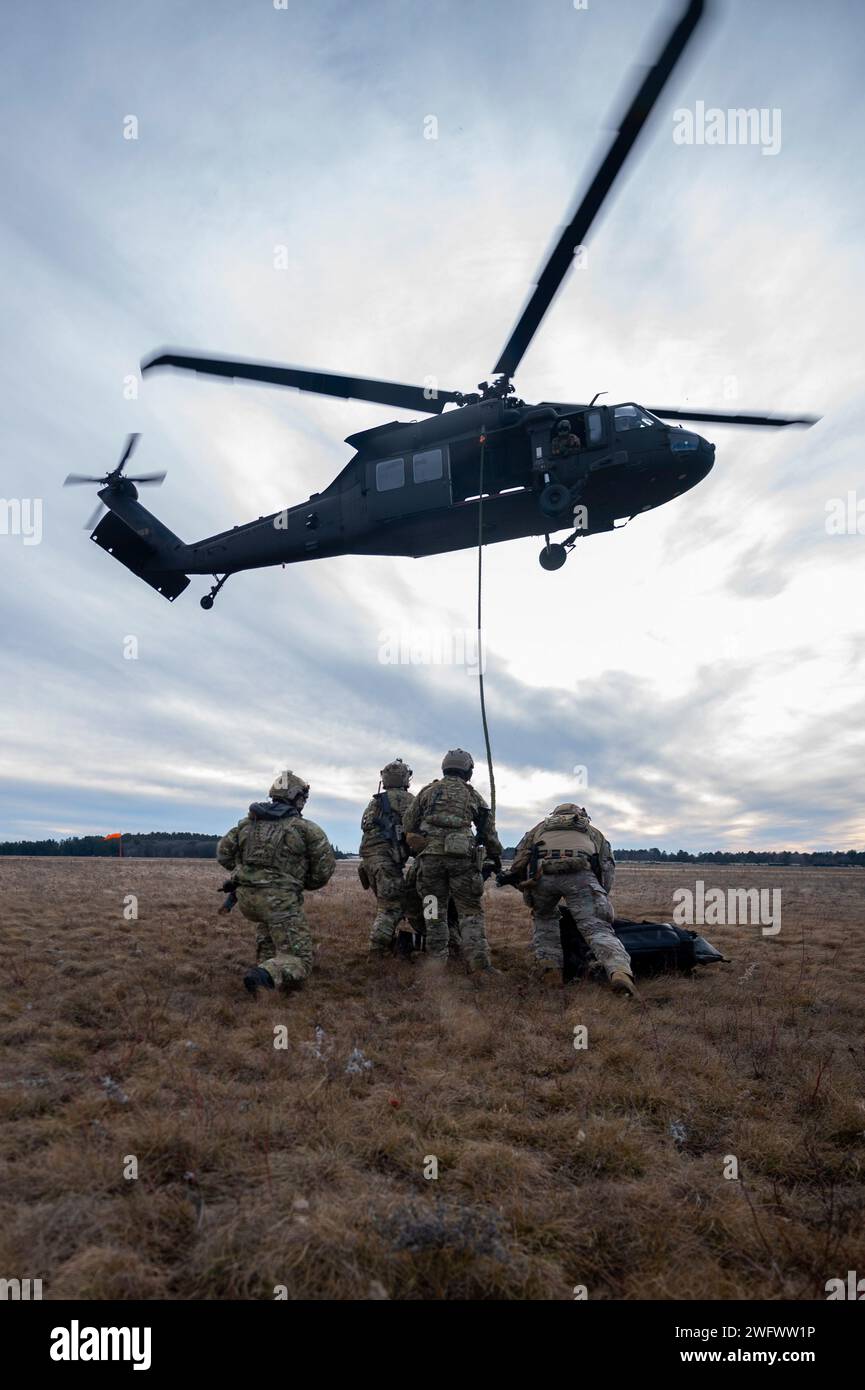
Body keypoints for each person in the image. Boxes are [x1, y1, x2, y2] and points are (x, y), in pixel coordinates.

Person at [217, 770, 335, 996]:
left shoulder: (246, 825)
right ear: (297, 799)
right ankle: (264, 976)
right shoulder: (306, 829)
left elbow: (223, 855)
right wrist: (297, 883)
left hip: (247, 899)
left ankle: (267, 977)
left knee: (269, 931)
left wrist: (248, 874)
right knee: (300, 959)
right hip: (280, 902)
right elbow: (323, 870)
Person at [506, 803, 636, 995]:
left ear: (555, 815)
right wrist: (601, 892)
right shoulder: (592, 832)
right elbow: (606, 865)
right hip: (580, 876)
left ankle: (551, 972)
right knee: (596, 927)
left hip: (542, 878)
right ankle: (619, 972)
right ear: (579, 815)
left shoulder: (539, 828)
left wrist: (522, 882)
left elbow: (520, 857)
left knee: (545, 921)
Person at [403, 748, 502, 971]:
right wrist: (495, 854)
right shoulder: (473, 795)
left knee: (433, 912)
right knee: (470, 912)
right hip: (463, 861)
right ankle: (480, 966)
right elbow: (488, 832)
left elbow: (408, 822)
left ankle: (436, 964)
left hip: (430, 862)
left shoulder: (428, 791)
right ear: (468, 770)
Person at [359, 758, 425, 956]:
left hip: (369, 863)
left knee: (391, 904)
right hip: (386, 863)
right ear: (405, 778)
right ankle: (377, 951)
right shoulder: (406, 800)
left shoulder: (375, 802)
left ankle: (392, 944)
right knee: (392, 908)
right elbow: (416, 829)